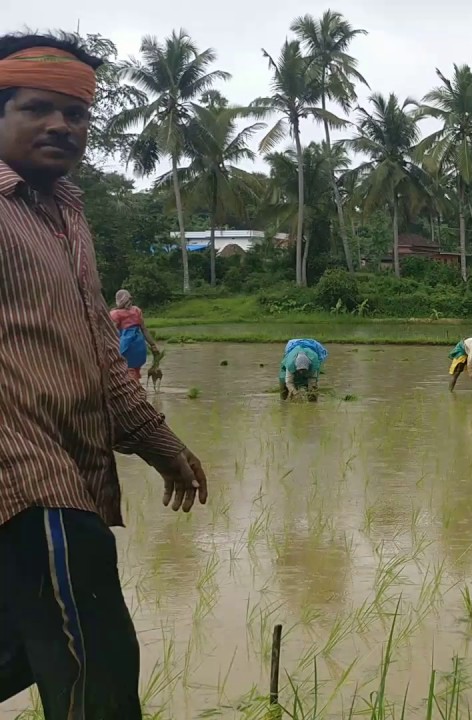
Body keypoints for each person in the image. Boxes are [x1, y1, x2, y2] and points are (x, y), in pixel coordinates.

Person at [0, 33, 208, 719]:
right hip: (27, 478)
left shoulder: (65, 211)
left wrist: (158, 440)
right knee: (98, 661)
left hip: (71, 464)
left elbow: (97, 341)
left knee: (31, 647)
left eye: (77, 113)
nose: (62, 125)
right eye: (37, 107)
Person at [108, 289, 158, 384]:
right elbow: (144, 330)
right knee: (134, 371)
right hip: (139, 347)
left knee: (124, 372)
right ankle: (137, 391)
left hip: (126, 347)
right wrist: (153, 345)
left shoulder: (115, 314)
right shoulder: (136, 311)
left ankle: (131, 394)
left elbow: (111, 333)